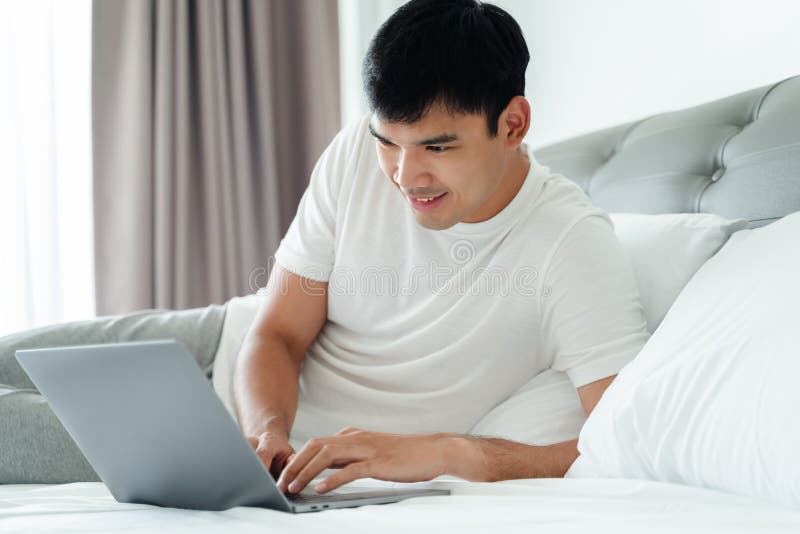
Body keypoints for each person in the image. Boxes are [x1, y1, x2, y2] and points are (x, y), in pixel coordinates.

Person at [233, 0, 650, 496]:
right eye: (388, 142)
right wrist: (264, 435)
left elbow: (626, 443)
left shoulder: (570, 243)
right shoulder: (353, 153)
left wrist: (449, 452)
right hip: (231, 389)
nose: (405, 177)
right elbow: (277, 331)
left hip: (320, 487)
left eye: (437, 147)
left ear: (512, 125)